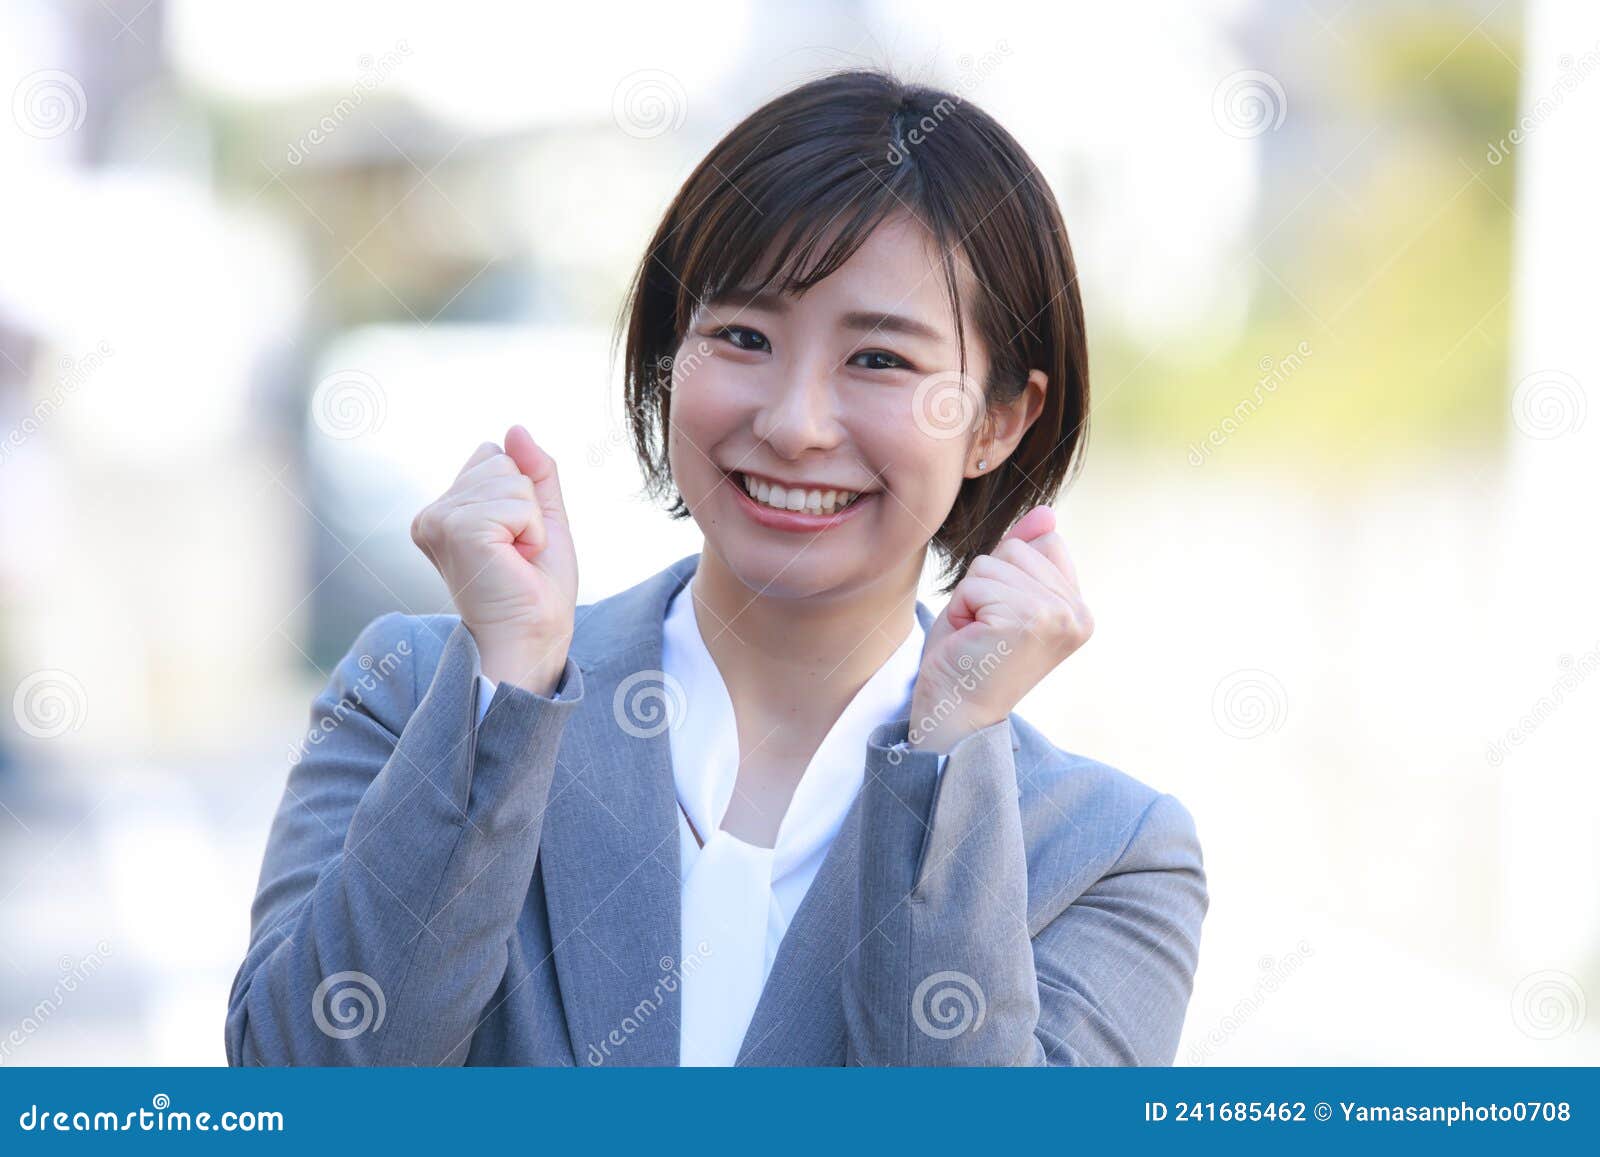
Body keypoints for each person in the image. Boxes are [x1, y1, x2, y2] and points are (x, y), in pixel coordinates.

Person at [226, 67, 1207, 1067]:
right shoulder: (418, 698)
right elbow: (305, 1078)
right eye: (741, 337)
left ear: (998, 420)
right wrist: (504, 690)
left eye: (879, 360)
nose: (792, 423)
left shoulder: (1103, 854)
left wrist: (946, 761)